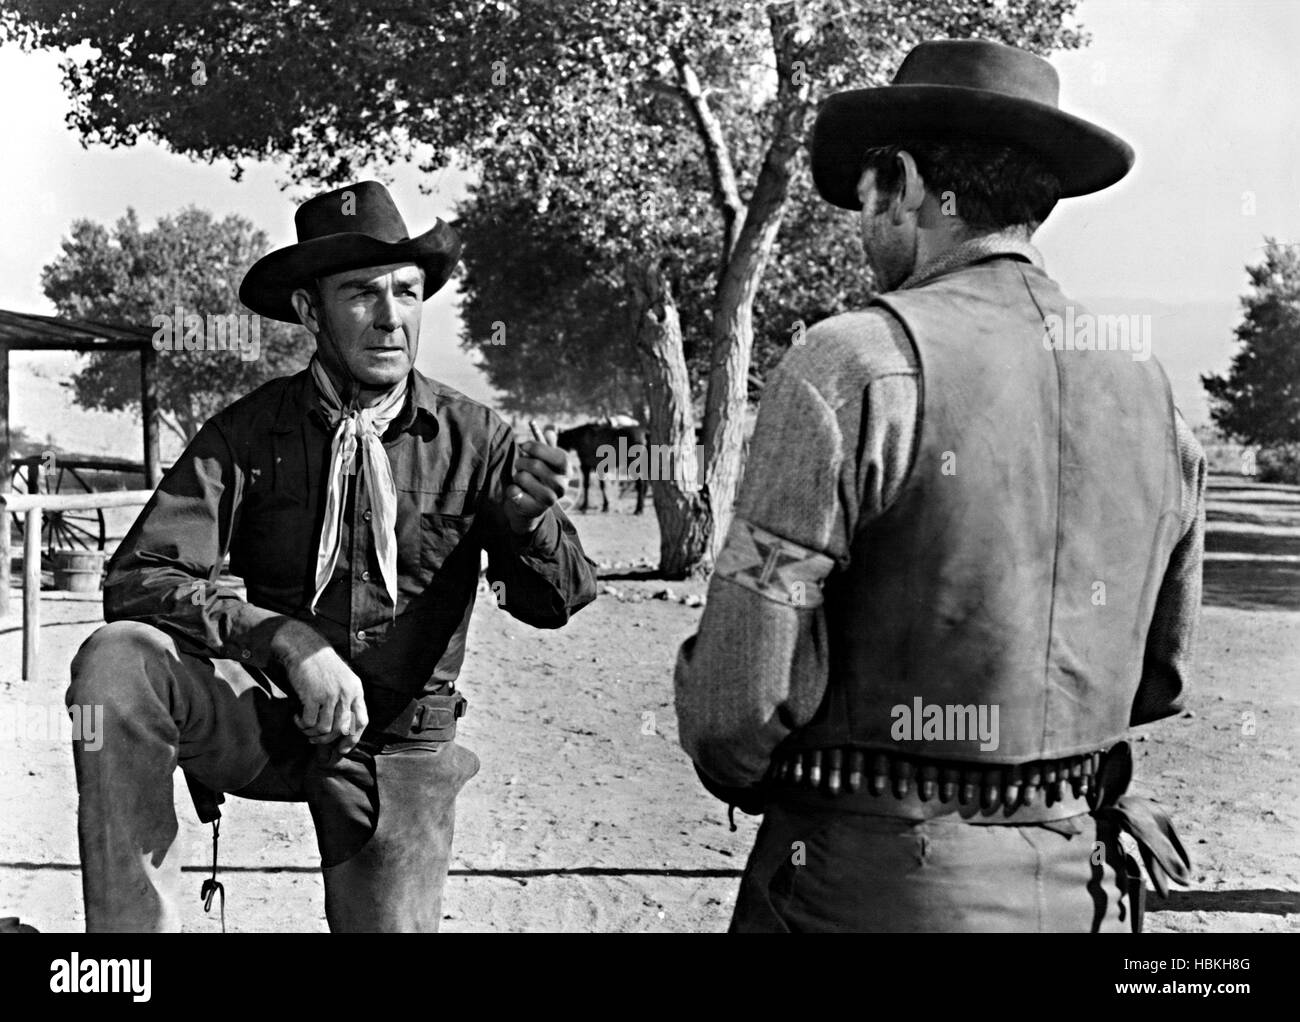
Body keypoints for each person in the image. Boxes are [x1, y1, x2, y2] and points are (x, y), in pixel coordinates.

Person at [674, 39, 1204, 932]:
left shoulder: (852, 360)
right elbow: (1161, 675)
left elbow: (738, 701)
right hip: (1079, 887)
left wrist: (753, 759)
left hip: (870, 883)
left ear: (911, 182)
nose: (862, 220)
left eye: (868, 192)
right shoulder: (1152, 390)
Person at [67, 180, 598, 932]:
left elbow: (560, 603)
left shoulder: (480, 440)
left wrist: (522, 525)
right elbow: (138, 578)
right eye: (361, 294)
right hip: (268, 720)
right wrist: (281, 638)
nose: (390, 319)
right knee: (118, 662)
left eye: (407, 294)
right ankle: (128, 960)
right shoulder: (247, 434)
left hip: (398, 744)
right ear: (310, 312)